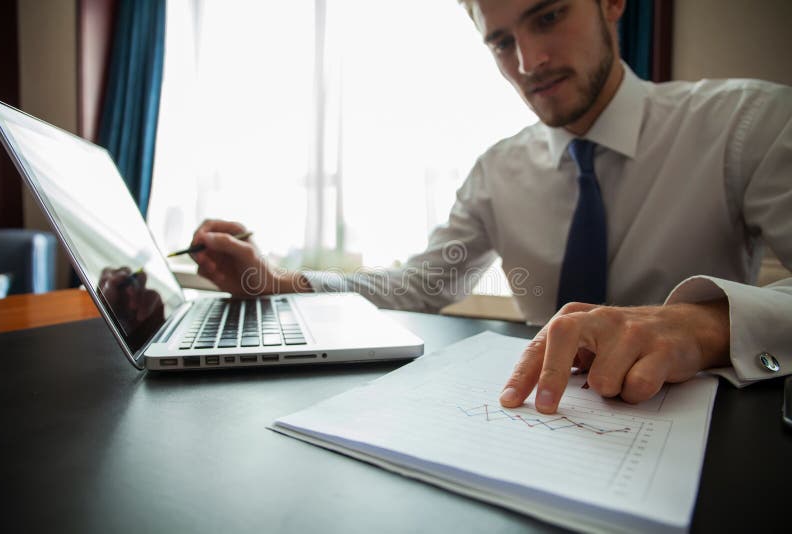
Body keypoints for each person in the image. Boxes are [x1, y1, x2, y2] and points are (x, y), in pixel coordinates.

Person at [190, 0, 792, 414]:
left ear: (611, 2)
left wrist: (706, 324)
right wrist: (278, 281)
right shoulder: (497, 170)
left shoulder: (746, 125)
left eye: (549, 15)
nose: (530, 64)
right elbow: (419, 285)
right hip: (538, 423)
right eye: (502, 42)